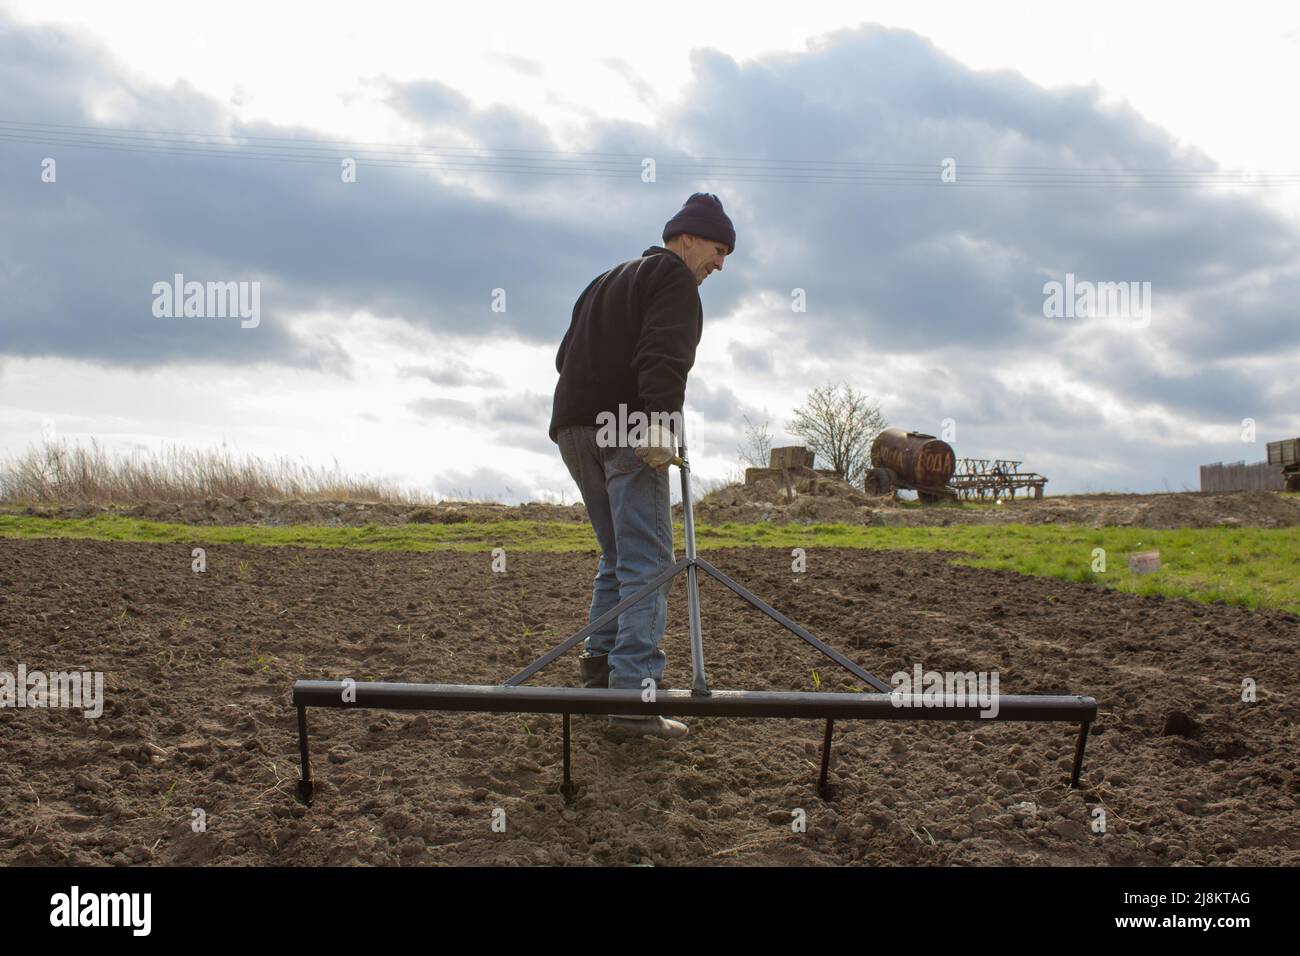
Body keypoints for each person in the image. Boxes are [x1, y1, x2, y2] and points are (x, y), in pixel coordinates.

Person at [548, 192, 735, 738]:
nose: (720, 264)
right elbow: (663, 353)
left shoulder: (605, 281)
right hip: (629, 429)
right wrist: (659, 422)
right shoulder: (673, 280)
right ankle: (634, 698)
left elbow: (565, 358)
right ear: (687, 239)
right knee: (649, 562)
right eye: (718, 249)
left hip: (575, 428)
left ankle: (599, 673)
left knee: (617, 556)